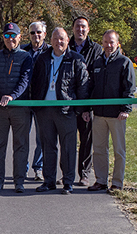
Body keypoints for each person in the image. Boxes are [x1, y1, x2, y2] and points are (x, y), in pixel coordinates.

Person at [30, 27, 90, 195]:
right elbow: (35, 83)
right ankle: (49, 181)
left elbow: (83, 86)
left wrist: (81, 110)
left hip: (66, 110)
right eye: (56, 39)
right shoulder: (42, 59)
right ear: (51, 40)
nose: (59, 42)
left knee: (68, 148)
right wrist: (36, 107)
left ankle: (68, 182)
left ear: (67, 41)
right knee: (48, 147)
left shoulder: (76, 59)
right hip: (45, 111)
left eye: (62, 39)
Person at [0, 22, 33, 193]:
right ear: (3, 37)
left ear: (19, 36)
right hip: (0, 110)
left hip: (20, 109)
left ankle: (19, 182)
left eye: (13, 35)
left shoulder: (26, 57)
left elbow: (25, 81)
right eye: (7, 36)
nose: (10, 39)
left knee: (21, 146)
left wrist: (12, 96)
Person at [88, 30, 135, 193]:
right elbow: (91, 87)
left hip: (117, 115)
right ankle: (101, 180)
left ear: (117, 43)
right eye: (106, 42)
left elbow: (129, 88)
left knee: (118, 150)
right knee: (99, 149)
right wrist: (88, 109)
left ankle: (117, 183)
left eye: (112, 42)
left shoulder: (124, 62)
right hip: (99, 114)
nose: (109, 45)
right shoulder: (97, 62)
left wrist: (126, 109)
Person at [68, 16, 104, 187]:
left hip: (87, 103)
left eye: (83, 27)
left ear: (88, 29)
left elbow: (97, 78)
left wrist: (87, 106)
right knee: (67, 140)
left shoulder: (96, 49)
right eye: (77, 27)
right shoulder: (65, 46)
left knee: (86, 140)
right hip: (67, 102)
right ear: (73, 29)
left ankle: (84, 174)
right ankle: (67, 173)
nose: (80, 30)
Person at [22, 21, 50, 182]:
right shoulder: (23, 51)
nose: (36, 35)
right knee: (23, 136)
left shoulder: (50, 52)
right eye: (33, 33)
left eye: (39, 32)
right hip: (25, 101)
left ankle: (38, 169)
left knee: (41, 137)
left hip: (42, 102)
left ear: (44, 34)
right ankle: (23, 168)